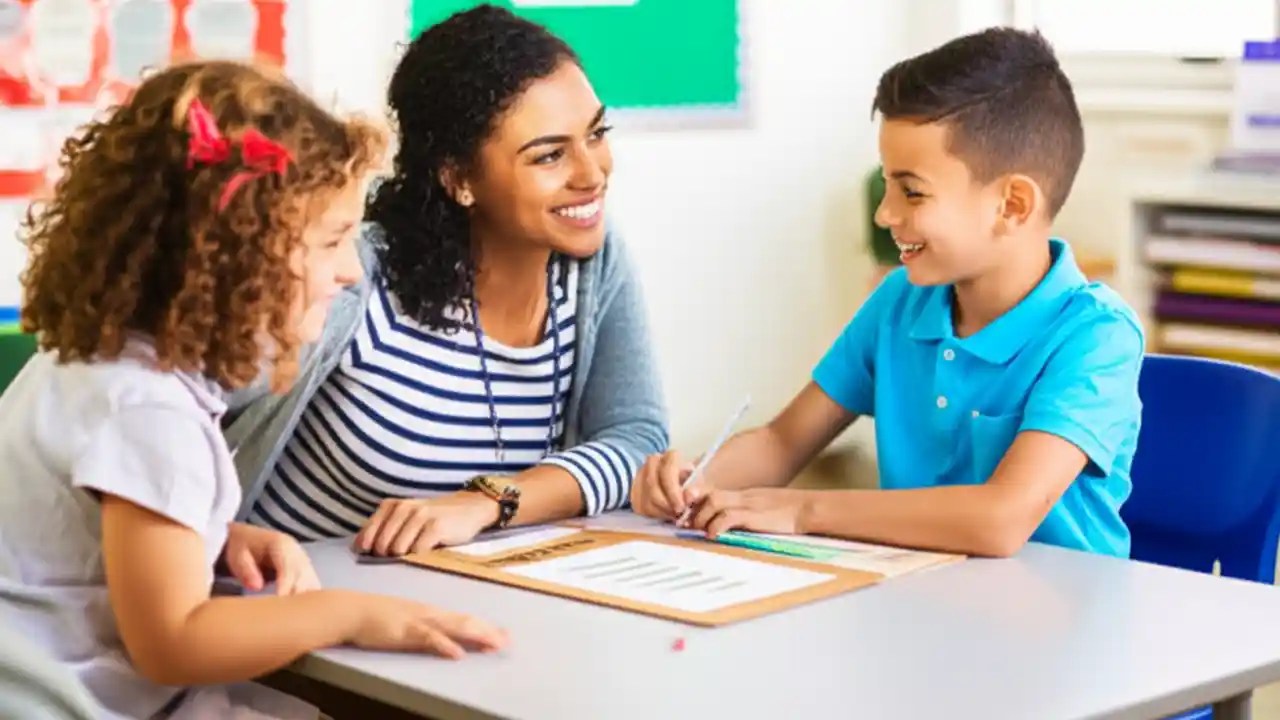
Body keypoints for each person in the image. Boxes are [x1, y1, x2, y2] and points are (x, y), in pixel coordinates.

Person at [0, 60, 507, 720]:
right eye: (331, 241)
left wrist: (210, 534)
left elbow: (90, 525)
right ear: (234, 256)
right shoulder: (149, 409)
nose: (352, 271)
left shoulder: (92, 360)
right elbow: (173, 644)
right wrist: (346, 613)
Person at [630, 28, 1144, 559]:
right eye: (887, 186)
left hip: (1060, 624)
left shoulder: (1096, 336)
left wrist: (805, 510)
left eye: (912, 192)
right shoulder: (901, 301)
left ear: (1011, 205)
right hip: (917, 602)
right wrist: (691, 482)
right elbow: (783, 441)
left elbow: (1000, 518)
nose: (884, 215)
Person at [226, 5, 668, 557]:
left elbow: (636, 441)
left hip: (454, 604)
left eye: (596, 134)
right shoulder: (351, 276)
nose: (592, 173)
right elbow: (169, 405)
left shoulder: (591, 264)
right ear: (459, 178)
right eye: (550, 155)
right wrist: (212, 538)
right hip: (291, 601)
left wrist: (487, 503)